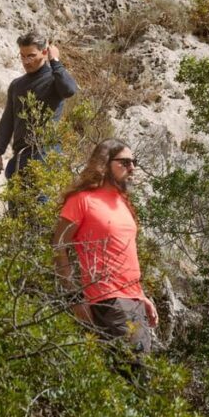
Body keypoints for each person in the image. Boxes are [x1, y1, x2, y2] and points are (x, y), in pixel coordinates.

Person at [51, 139, 158, 357]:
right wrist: (75, 298)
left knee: (136, 371)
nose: (132, 168)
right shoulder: (82, 200)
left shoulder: (123, 201)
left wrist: (141, 295)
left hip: (132, 299)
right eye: (125, 162)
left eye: (134, 162)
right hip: (107, 299)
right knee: (135, 367)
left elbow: (125, 253)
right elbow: (58, 246)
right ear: (105, 162)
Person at [0, 31, 77, 179]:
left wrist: (55, 60)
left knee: (41, 202)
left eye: (31, 56)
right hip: (20, 158)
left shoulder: (53, 80)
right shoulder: (17, 85)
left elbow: (69, 90)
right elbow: (8, 120)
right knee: (16, 202)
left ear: (44, 52)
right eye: (23, 56)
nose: (26, 61)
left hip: (45, 155)